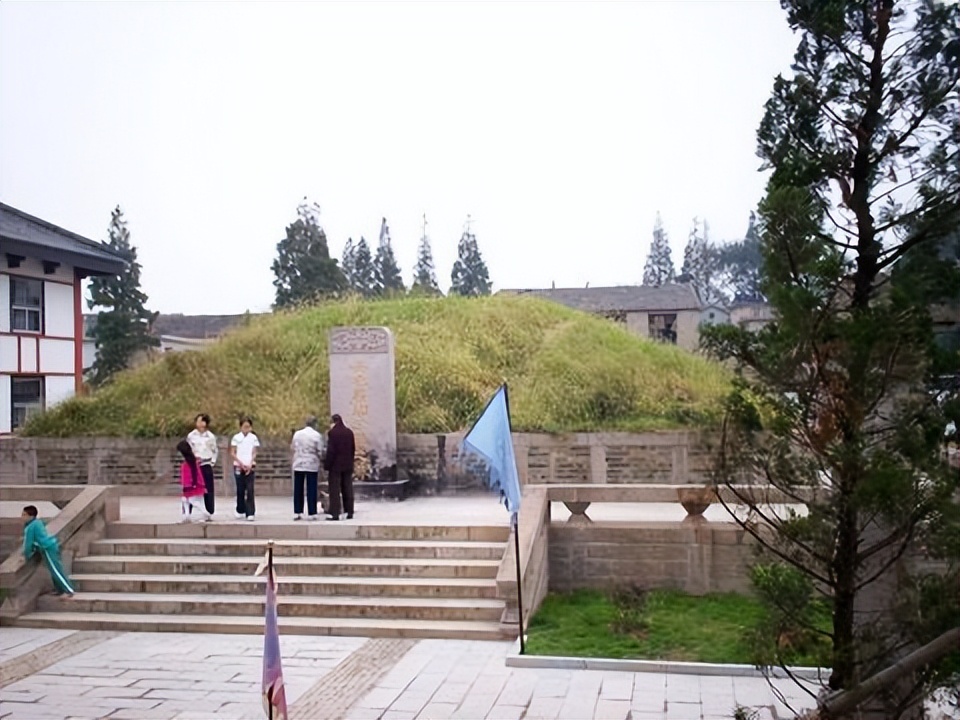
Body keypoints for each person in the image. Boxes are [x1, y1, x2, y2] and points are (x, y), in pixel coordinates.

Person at [21, 505, 74, 597]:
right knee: (53, 568)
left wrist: (27, 555)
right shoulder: (38, 522)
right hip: (51, 545)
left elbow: (28, 544)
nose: (22, 517)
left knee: (55, 569)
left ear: (31, 516)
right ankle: (59, 589)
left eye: (24, 515)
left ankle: (68, 589)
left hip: (47, 548)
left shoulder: (30, 527)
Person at [291, 415, 325, 521]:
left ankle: (298, 511)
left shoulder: (297, 434)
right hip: (311, 464)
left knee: (298, 489)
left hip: (298, 463)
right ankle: (312, 512)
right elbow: (319, 450)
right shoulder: (316, 435)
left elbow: (293, 447)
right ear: (314, 424)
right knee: (311, 488)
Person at [323, 414, 356, 521]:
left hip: (335, 466)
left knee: (335, 490)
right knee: (348, 488)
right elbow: (352, 449)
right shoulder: (349, 432)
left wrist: (327, 465)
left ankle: (335, 513)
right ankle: (349, 511)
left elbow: (331, 451)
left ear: (333, 422)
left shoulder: (332, 433)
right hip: (347, 465)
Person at [187, 413, 218, 518]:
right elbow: (188, 450)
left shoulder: (210, 436)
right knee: (190, 488)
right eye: (198, 421)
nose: (199, 423)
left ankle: (209, 511)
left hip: (206, 464)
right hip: (194, 465)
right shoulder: (191, 436)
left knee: (208, 488)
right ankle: (188, 512)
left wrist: (212, 462)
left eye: (202, 421)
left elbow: (214, 450)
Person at [230, 416, 260, 521]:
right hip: (238, 465)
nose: (246, 429)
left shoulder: (253, 438)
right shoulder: (236, 438)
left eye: (248, 427)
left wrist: (250, 463)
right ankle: (240, 509)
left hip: (250, 466)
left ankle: (250, 512)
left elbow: (254, 452)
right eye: (244, 426)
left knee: (250, 489)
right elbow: (232, 452)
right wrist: (241, 463)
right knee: (240, 489)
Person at [177, 439, 209, 523]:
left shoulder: (189, 463)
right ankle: (187, 516)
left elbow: (192, 475)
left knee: (192, 501)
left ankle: (205, 513)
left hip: (192, 485)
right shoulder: (192, 461)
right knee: (186, 500)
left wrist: (192, 484)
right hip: (194, 484)